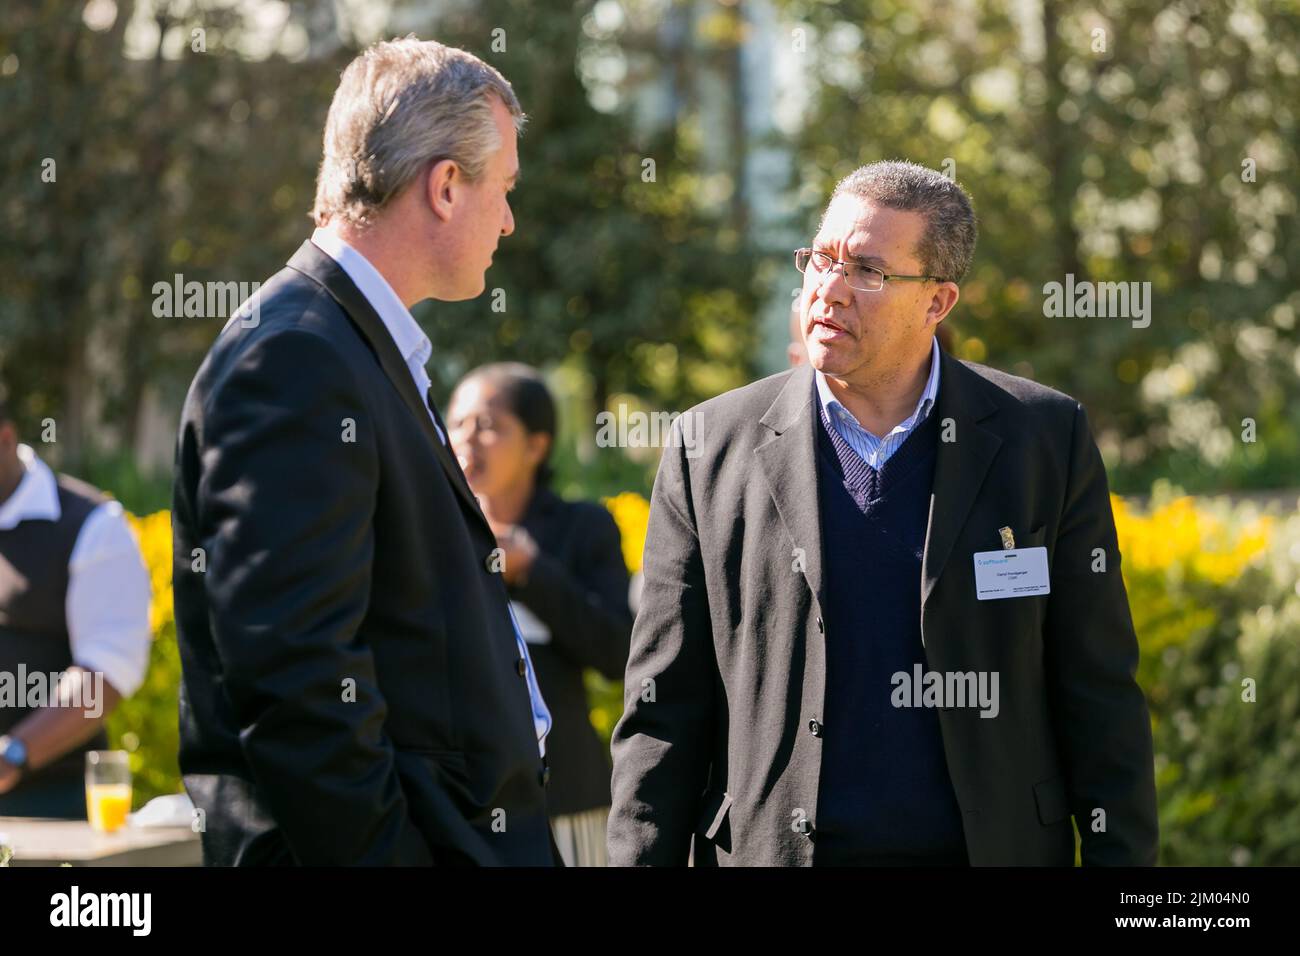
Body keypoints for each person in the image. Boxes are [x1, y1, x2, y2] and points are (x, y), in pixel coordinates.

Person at [608, 160, 1158, 866]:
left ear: (938, 301)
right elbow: (661, 717)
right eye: (821, 261)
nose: (828, 291)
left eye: (868, 271)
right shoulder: (706, 445)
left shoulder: (1043, 439)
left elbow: (1098, 694)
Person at [172, 38, 557, 865]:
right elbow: (299, 686)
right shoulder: (298, 357)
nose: (511, 219)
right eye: (506, 189)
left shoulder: (349, 342)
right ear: (447, 186)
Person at [447, 362, 633, 866]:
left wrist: (531, 572)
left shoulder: (582, 528)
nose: (467, 439)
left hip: (568, 797)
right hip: (459, 802)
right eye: (457, 423)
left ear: (536, 445)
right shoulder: (432, 534)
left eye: (488, 425)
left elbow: (620, 652)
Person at [0, 392, 151, 818]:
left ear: (6, 439)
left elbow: (106, 672)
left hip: (48, 808)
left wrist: (14, 752)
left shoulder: (92, 526)